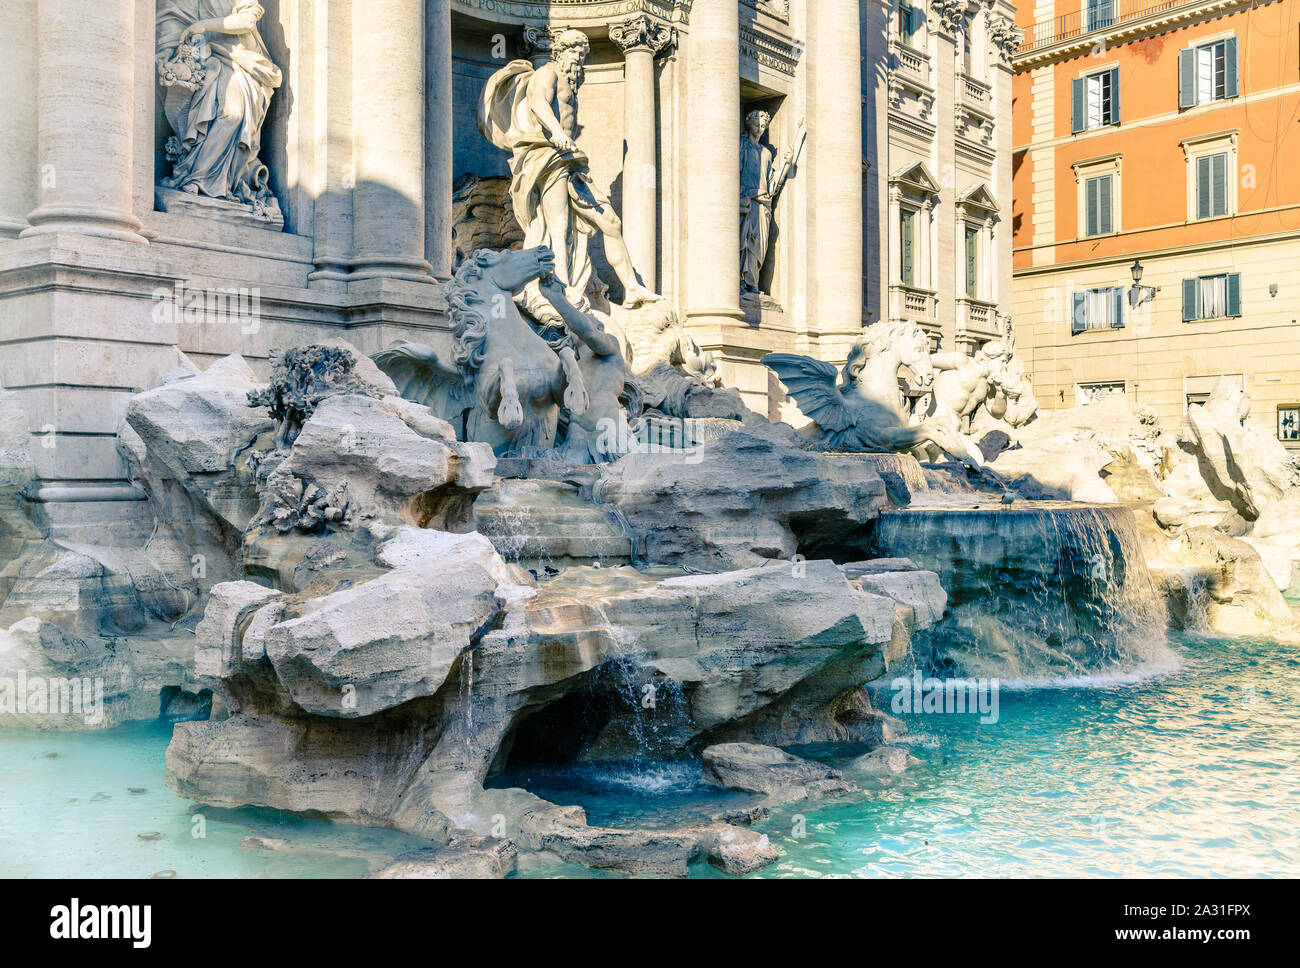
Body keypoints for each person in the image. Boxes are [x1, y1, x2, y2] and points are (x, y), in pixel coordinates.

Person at [479, 30, 658, 316]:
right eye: (576, 52)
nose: (580, 59)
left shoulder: (571, 82)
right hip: (547, 155)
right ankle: (559, 284)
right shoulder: (546, 73)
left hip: (569, 160)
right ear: (561, 52)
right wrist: (558, 131)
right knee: (558, 224)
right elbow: (537, 102)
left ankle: (632, 288)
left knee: (610, 222)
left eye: (583, 54)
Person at [155, 1, 282, 215]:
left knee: (234, 114)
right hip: (211, 59)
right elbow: (173, 17)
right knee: (204, 115)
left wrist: (204, 25)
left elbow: (247, 20)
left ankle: (217, 181)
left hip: (242, 61)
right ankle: (197, 179)